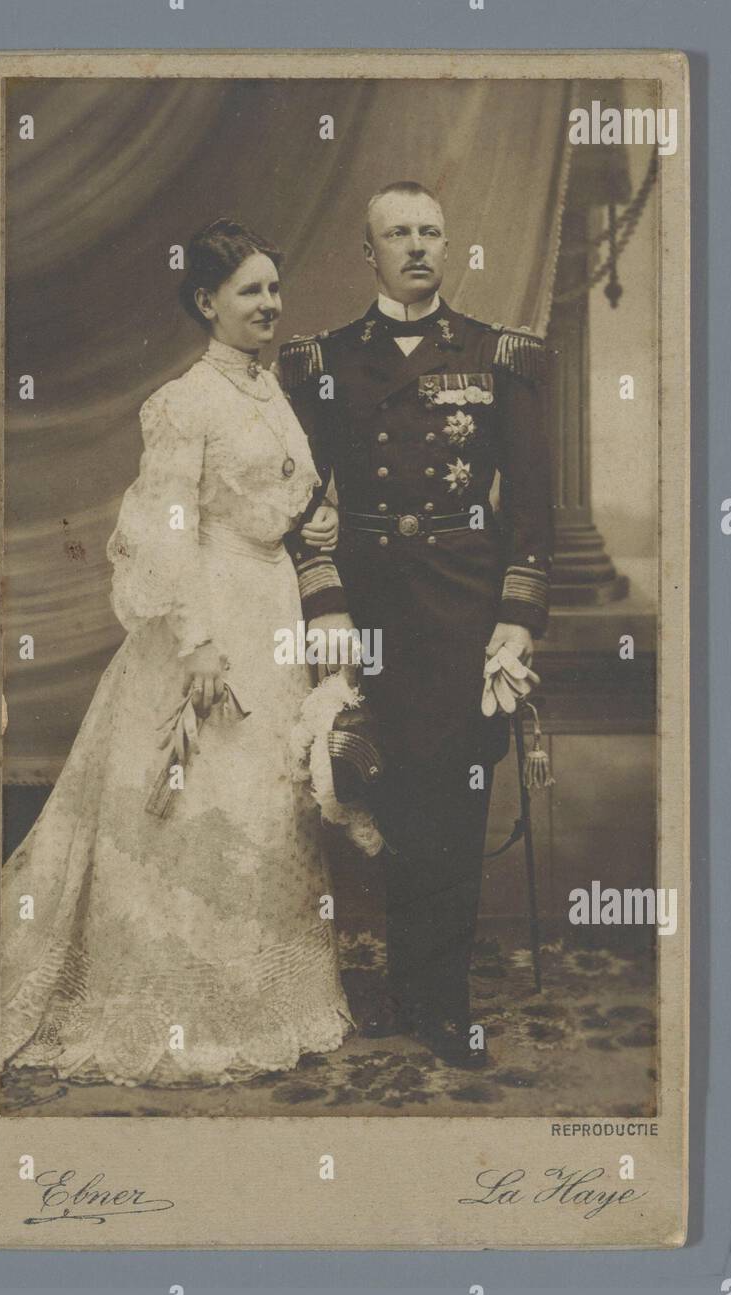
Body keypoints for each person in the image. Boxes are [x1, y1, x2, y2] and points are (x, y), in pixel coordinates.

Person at [0, 218, 356, 1088]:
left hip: (272, 611)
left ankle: (271, 1000)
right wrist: (196, 642)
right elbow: (164, 529)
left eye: (274, 288)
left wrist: (317, 524)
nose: (269, 304)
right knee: (197, 804)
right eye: (249, 291)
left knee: (274, 799)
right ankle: (183, 1010)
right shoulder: (183, 403)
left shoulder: (273, 395)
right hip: (211, 620)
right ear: (206, 302)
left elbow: (287, 501)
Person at [281, 182, 554, 1069]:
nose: (416, 247)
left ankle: (445, 1000)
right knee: (389, 796)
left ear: (449, 245)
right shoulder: (321, 361)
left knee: (456, 797)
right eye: (397, 234)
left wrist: (514, 621)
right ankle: (405, 989)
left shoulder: (496, 356)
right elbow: (293, 498)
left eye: (430, 232)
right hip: (365, 612)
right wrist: (323, 600)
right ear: (368, 254)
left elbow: (533, 512)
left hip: (462, 608)